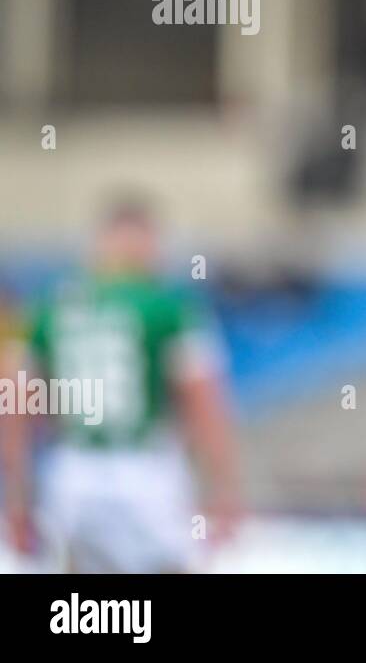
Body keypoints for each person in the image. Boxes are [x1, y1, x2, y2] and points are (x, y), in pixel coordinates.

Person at [0, 193, 240, 572]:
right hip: (146, 470)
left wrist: (17, 494)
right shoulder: (169, 308)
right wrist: (223, 488)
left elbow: (15, 403)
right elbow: (204, 404)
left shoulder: (48, 308)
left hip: (71, 470)